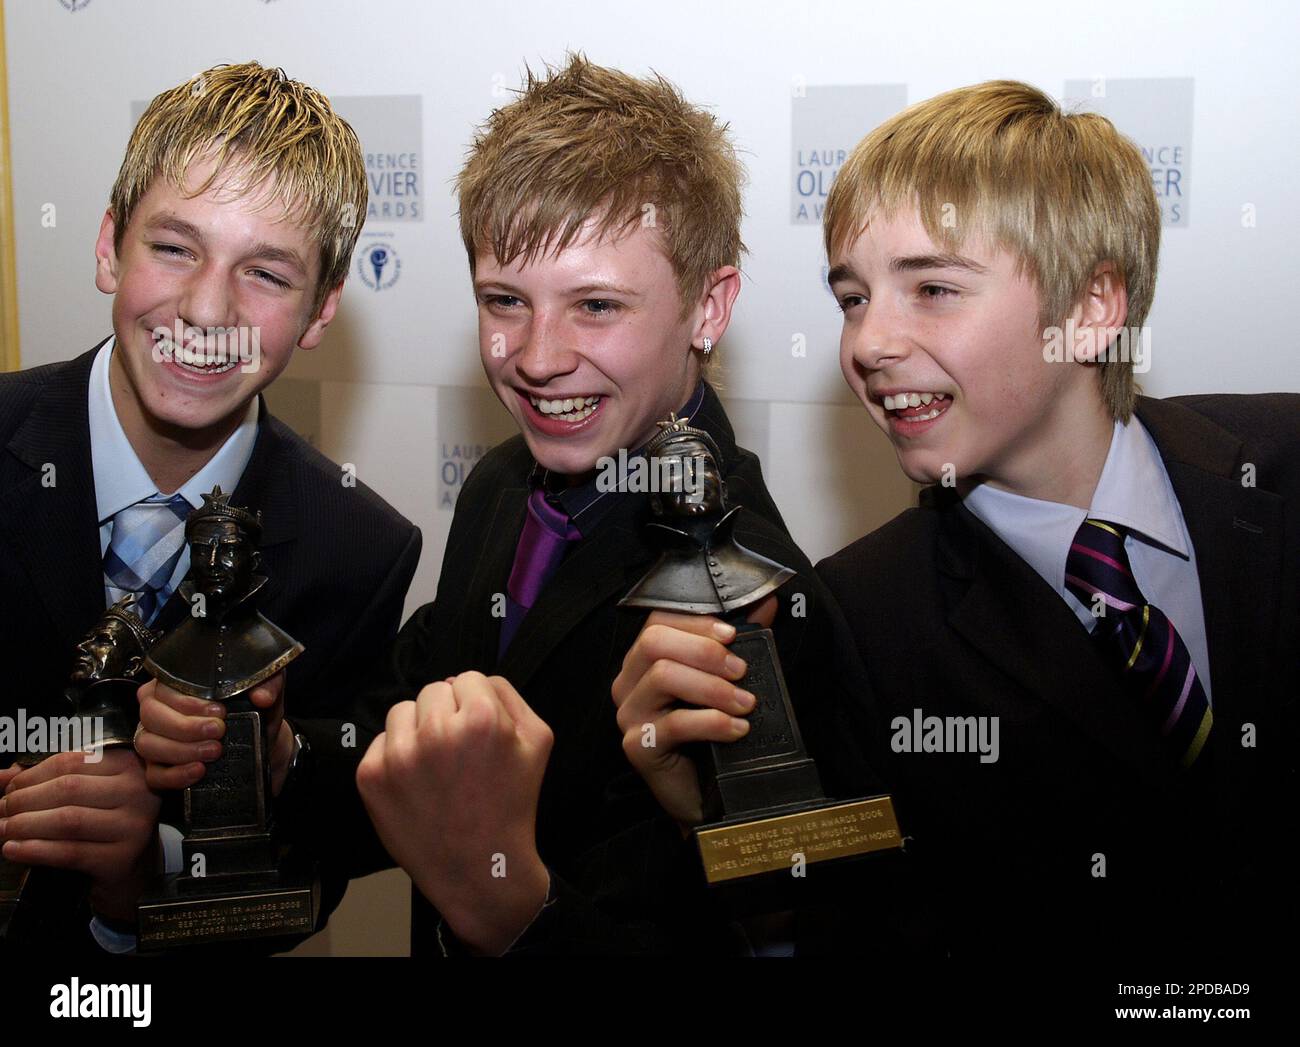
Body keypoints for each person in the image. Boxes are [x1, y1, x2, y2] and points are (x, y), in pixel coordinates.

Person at [133, 54, 851, 956]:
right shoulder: (503, 484)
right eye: (504, 301)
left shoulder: (754, 594)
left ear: (709, 307)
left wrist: (510, 906)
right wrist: (278, 756)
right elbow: (411, 735)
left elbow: (774, 937)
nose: (538, 356)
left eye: (595, 305)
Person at [612, 80, 1299, 962]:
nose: (867, 344)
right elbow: (851, 926)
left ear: (1093, 308)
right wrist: (700, 815)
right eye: (853, 297)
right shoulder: (860, 620)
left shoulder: (1281, 465)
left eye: (933, 288)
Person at [0, 62, 421, 955]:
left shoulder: (361, 549)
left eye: (266, 273)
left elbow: (311, 879)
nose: (206, 309)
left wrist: (138, 886)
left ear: (321, 309)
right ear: (110, 245)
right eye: (175, 247)